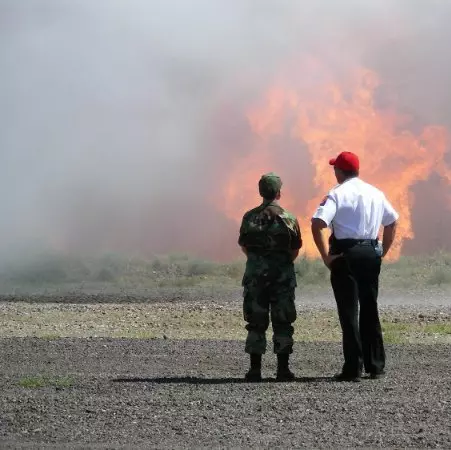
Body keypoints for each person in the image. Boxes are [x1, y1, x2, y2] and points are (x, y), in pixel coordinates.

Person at [311, 151, 398, 382]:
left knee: (349, 312)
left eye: (335, 169)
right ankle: (376, 366)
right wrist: (382, 252)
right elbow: (391, 221)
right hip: (370, 252)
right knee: (370, 308)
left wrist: (326, 258)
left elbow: (318, 223)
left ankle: (353, 368)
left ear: (340, 171)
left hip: (345, 254)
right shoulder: (376, 193)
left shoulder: (336, 194)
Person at [238, 172, 303, 382]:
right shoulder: (289, 219)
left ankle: (254, 370)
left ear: (261, 192)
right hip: (282, 278)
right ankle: (283, 370)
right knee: (283, 322)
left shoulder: (249, 217)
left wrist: (258, 261)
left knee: (256, 322)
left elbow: (244, 245)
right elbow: (295, 249)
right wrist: (281, 263)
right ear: (279, 193)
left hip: (256, 277)